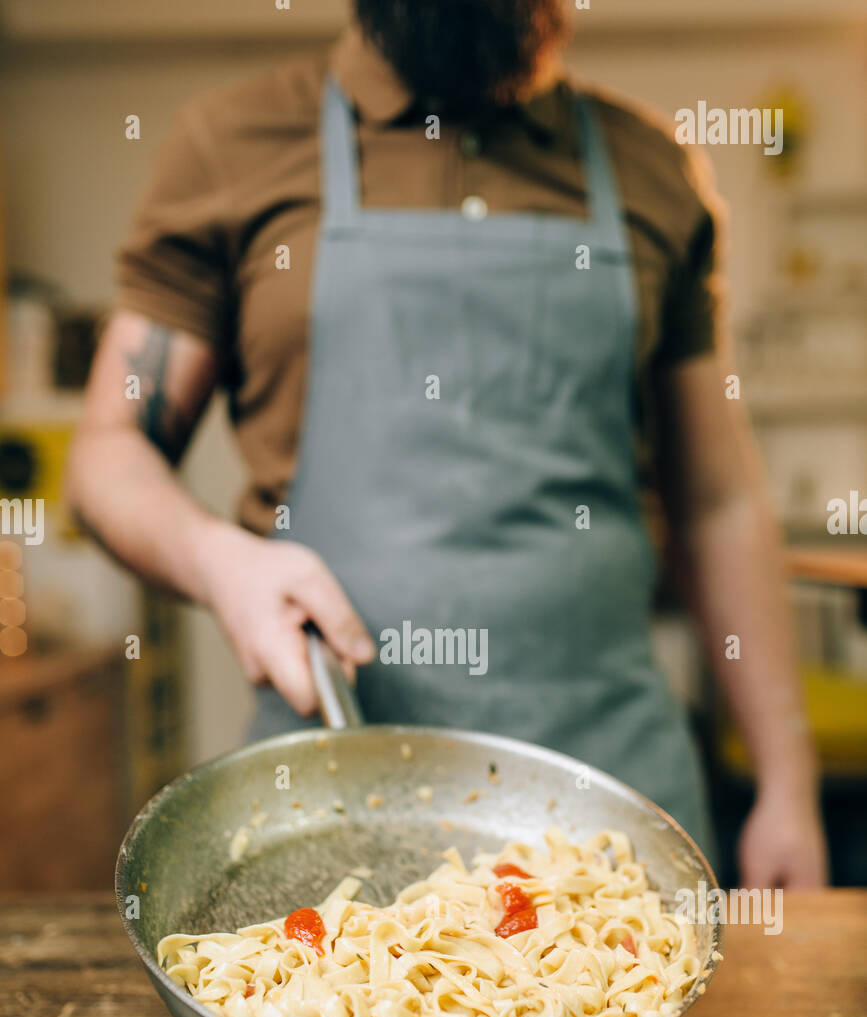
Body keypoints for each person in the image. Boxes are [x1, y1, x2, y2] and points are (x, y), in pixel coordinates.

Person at [67, 0, 828, 886]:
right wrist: (216, 561)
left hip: (616, 821)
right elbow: (108, 449)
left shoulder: (651, 170)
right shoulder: (230, 146)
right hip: (328, 818)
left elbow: (719, 503)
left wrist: (786, 785)